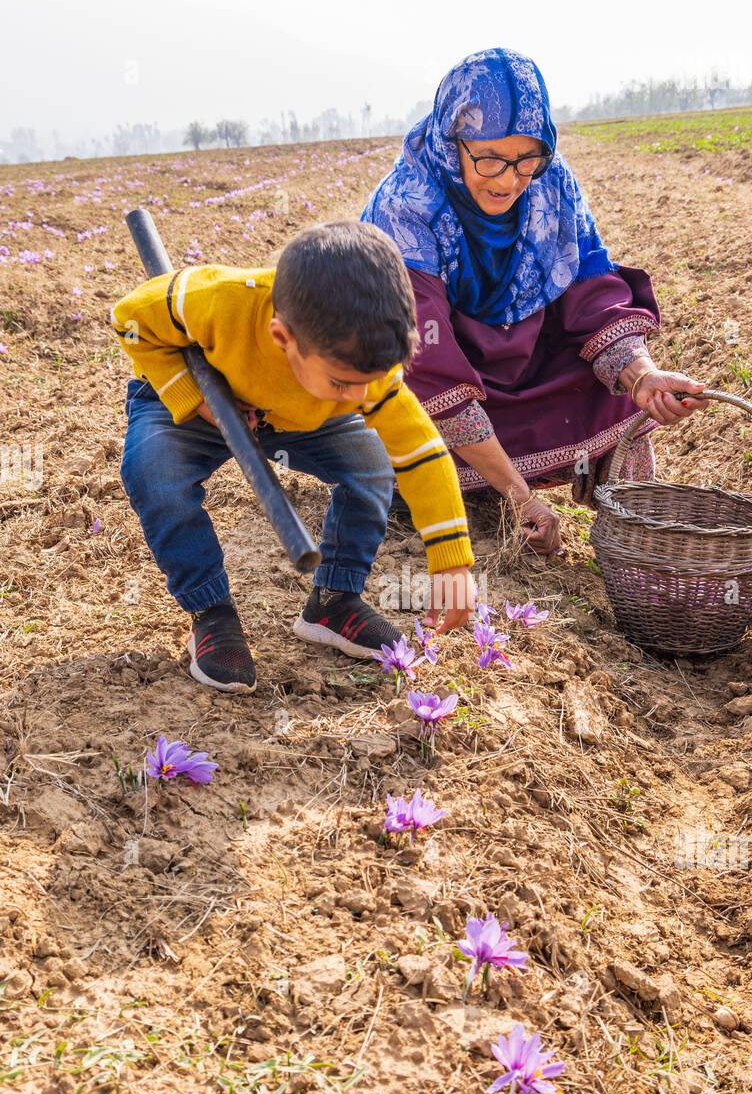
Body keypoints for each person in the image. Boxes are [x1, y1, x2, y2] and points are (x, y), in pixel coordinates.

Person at [362, 47, 708, 556]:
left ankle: (630, 544)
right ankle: (473, 482)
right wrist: (521, 499)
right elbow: (425, 360)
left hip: (523, 359)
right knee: (407, 438)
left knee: (613, 389)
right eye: (490, 159)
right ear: (452, 139)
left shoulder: (551, 184)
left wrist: (642, 375)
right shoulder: (405, 207)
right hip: (444, 373)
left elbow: (591, 290)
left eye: (527, 160)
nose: (509, 180)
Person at [112, 221, 476, 694]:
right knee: (155, 473)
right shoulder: (217, 300)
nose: (362, 395)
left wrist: (452, 562)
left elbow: (422, 453)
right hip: (191, 402)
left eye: (373, 380)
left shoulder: (361, 371)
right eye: (346, 382)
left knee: (371, 466)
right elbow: (130, 320)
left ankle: (333, 601)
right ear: (283, 337)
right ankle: (212, 612)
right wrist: (196, 397)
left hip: (299, 411)